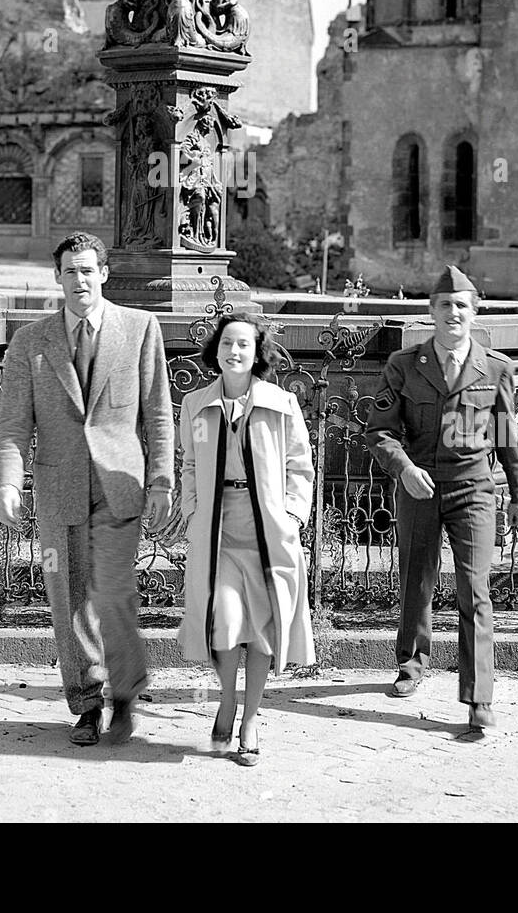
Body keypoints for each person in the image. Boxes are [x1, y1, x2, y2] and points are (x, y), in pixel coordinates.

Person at [0, 232, 174, 746]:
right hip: (59, 487)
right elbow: (11, 427)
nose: (80, 280)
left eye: (88, 270)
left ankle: (124, 696)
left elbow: (158, 414)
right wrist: (7, 482)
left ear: (104, 274)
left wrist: (161, 481)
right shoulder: (31, 342)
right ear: (58, 277)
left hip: (119, 486)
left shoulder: (140, 329)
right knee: (68, 599)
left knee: (113, 595)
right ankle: (87, 704)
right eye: (70, 271)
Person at [363, 266, 518, 730]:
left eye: (461, 305)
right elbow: (379, 431)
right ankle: (411, 664)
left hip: (473, 488)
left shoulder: (495, 369)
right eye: (444, 305)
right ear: (430, 312)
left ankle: (479, 697)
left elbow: (507, 436)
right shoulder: (404, 365)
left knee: (475, 591)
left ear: (474, 312)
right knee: (417, 577)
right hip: (420, 486)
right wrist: (405, 468)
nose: (452, 313)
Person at [178, 310, 315, 765]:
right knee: (222, 624)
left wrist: (293, 514)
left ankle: (251, 719)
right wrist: (193, 507)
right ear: (215, 350)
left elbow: (301, 467)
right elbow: (190, 464)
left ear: (257, 354)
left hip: (267, 533)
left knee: (262, 630)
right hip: (217, 531)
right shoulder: (196, 404)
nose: (234, 351)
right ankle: (227, 699)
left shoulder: (281, 403)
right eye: (227, 343)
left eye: (244, 344)